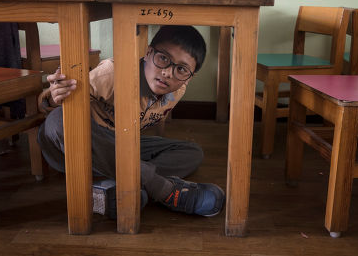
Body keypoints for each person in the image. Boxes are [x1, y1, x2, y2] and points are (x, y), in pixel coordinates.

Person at [37, 25, 225, 218]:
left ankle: (117, 187)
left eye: (181, 69)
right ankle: (161, 188)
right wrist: (54, 96)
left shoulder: (177, 90)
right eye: (163, 58)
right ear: (148, 52)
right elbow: (54, 104)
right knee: (58, 120)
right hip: (76, 146)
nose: (168, 72)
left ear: (189, 78)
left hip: (121, 144)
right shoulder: (111, 73)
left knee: (191, 152)